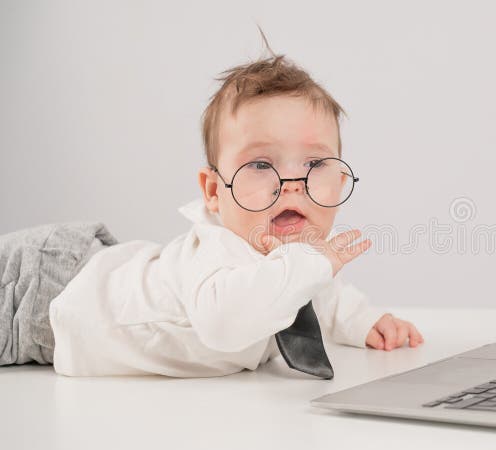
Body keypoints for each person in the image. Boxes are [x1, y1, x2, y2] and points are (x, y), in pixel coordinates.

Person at [0, 32, 423, 377]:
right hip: (45, 291)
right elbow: (224, 321)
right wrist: (313, 266)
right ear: (213, 190)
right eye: (261, 163)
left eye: (314, 163)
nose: (292, 184)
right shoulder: (222, 250)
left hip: (81, 286)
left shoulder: (294, 266)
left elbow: (323, 296)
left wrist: (365, 323)